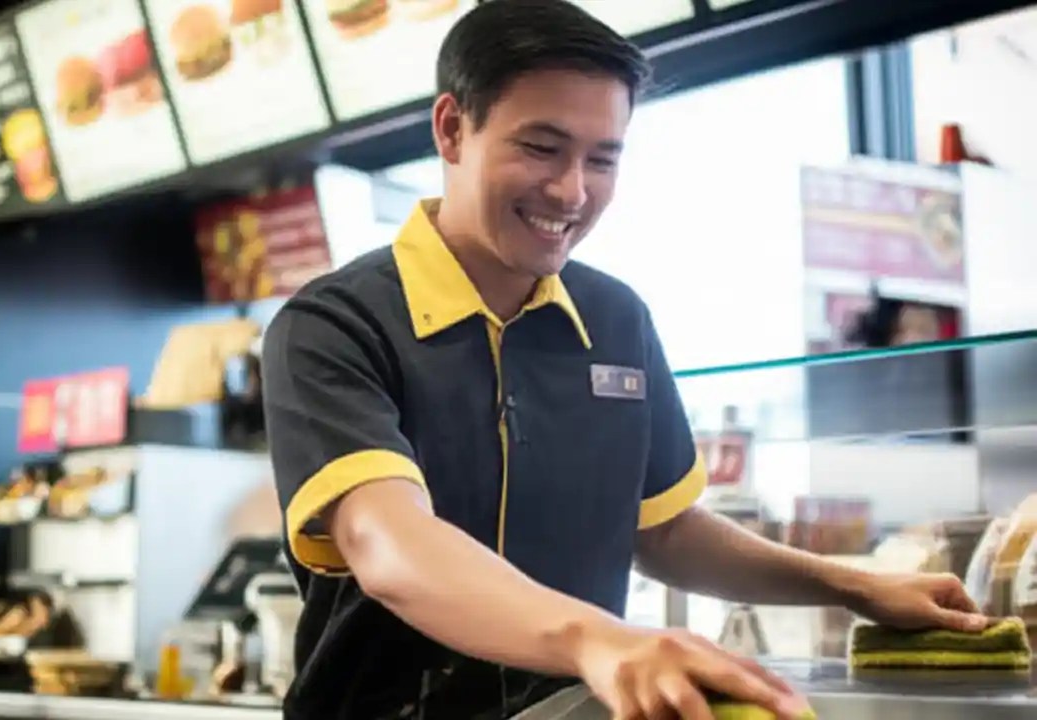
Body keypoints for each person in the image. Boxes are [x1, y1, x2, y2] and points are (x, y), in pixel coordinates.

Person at [260, 2, 988, 718]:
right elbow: (386, 540)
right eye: (541, 148)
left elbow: (665, 530)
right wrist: (602, 640)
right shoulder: (335, 324)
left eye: (602, 158)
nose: (573, 191)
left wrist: (853, 585)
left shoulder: (616, 320)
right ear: (452, 129)